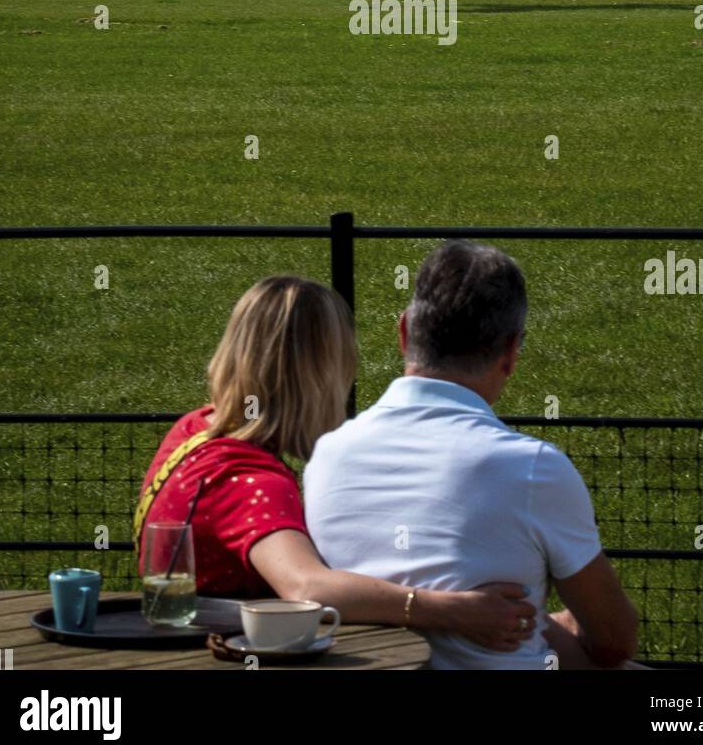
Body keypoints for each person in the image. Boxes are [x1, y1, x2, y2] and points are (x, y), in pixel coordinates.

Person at [135, 276, 536, 651]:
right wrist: (453, 610)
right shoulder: (249, 480)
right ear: (321, 376)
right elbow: (307, 588)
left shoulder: (195, 429)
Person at [304, 242, 641, 670]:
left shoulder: (327, 454)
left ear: (405, 331)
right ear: (511, 352)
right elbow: (613, 643)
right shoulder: (535, 468)